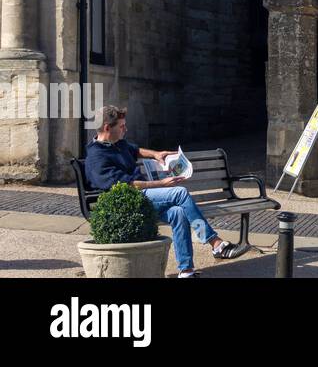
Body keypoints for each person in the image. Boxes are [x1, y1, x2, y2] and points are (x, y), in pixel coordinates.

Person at [84, 105, 238, 278]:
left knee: (178, 212)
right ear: (107, 128)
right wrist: (161, 183)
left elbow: (135, 150)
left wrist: (156, 154)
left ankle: (186, 271)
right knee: (179, 193)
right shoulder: (96, 158)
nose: (125, 129)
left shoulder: (116, 142)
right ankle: (214, 242)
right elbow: (126, 186)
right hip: (128, 200)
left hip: (141, 196)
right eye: (121, 126)